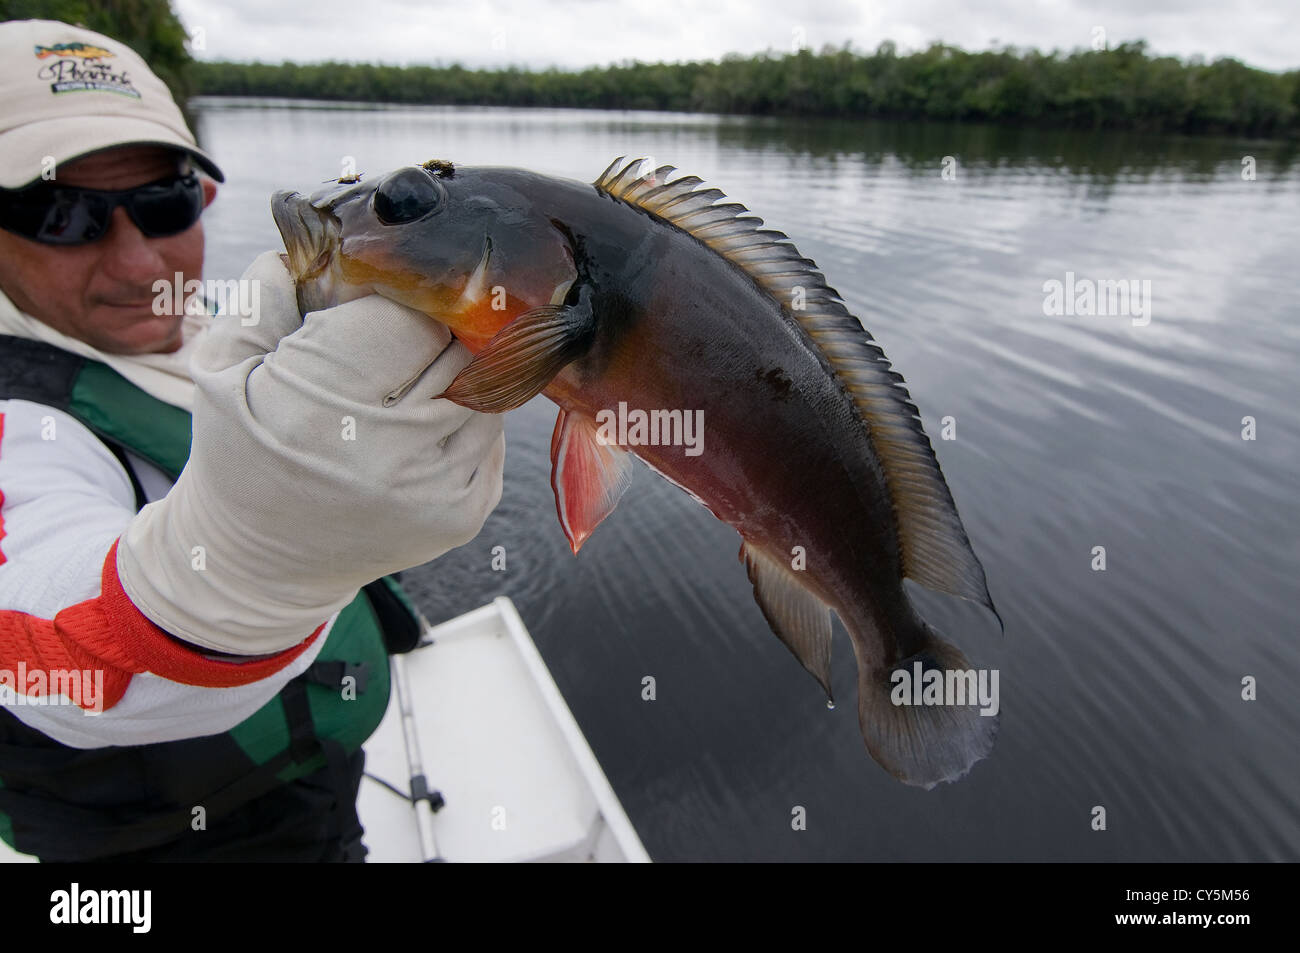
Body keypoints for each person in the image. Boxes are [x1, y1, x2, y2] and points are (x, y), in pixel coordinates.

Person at [0, 19, 505, 861]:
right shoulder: (21, 421)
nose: (137, 264)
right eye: (62, 216)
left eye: (163, 204)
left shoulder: (201, 328)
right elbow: (51, 659)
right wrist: (254, 560)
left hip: (315, 800)